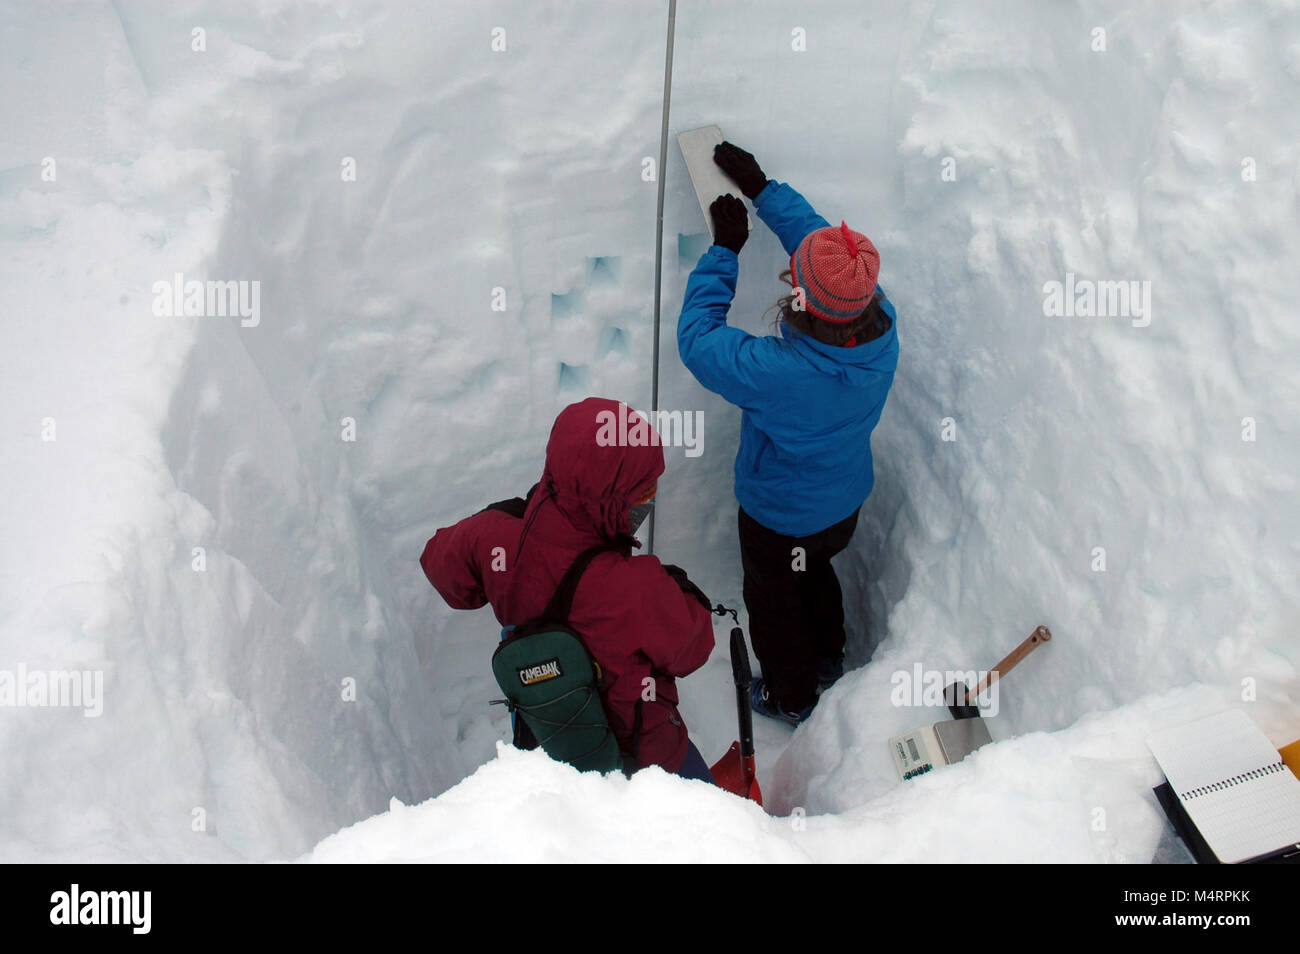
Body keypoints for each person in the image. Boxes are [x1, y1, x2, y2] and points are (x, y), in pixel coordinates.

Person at [676, 141, 899, 726]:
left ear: (802, 297)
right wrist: (763, 188)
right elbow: (829, 253)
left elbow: (698, 341)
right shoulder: (880, 325)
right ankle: (828, 656)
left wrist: (725, 250)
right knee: (816, 571)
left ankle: (792, 695)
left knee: (774, 604)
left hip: (779, 518)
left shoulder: (781, 373)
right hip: (842, 503)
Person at [420, 396, 717, 781]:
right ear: (612, 500)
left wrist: (500, 520)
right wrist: (683, 590)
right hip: (645, 759)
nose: (649, 500)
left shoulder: (495, 536)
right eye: (642, 494)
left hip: (550, 732)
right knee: (714, 818)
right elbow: (693, 647)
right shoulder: (633, 587)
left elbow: (440, 566)